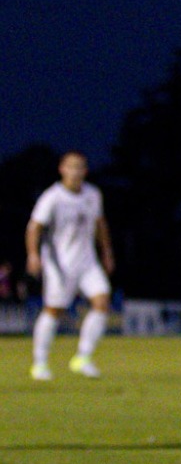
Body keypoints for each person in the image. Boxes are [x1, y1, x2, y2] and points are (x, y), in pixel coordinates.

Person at [25, 151, 115, 380]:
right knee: (54, 310)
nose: (76, 172)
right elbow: (34, 227)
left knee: (102, 300)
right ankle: (40, 363)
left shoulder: (93, 194)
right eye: (71, 167)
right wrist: (33, 255)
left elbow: (99, 223)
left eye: (80, 167)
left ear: (85, 171)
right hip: (60, 264)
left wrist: (106, 252)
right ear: (62, 169)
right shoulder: (52, 197)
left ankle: (83, 357)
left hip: (87, 261)